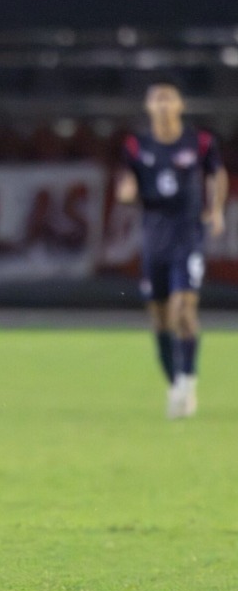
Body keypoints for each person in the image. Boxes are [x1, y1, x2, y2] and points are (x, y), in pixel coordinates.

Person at [116, 81, 228, 418]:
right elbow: (127, 180)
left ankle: (188, 382)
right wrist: (126, 190)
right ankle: (176, 383)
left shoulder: (200, 142)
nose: (163, 105)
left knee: (183, 310)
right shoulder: (137, 145)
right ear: (149, 108)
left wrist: (217, 208)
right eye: (156, 100)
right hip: (154, 241)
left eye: (168, 99)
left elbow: (217, 174)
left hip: (188, 237)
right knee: (160, 320)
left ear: (180, 105)